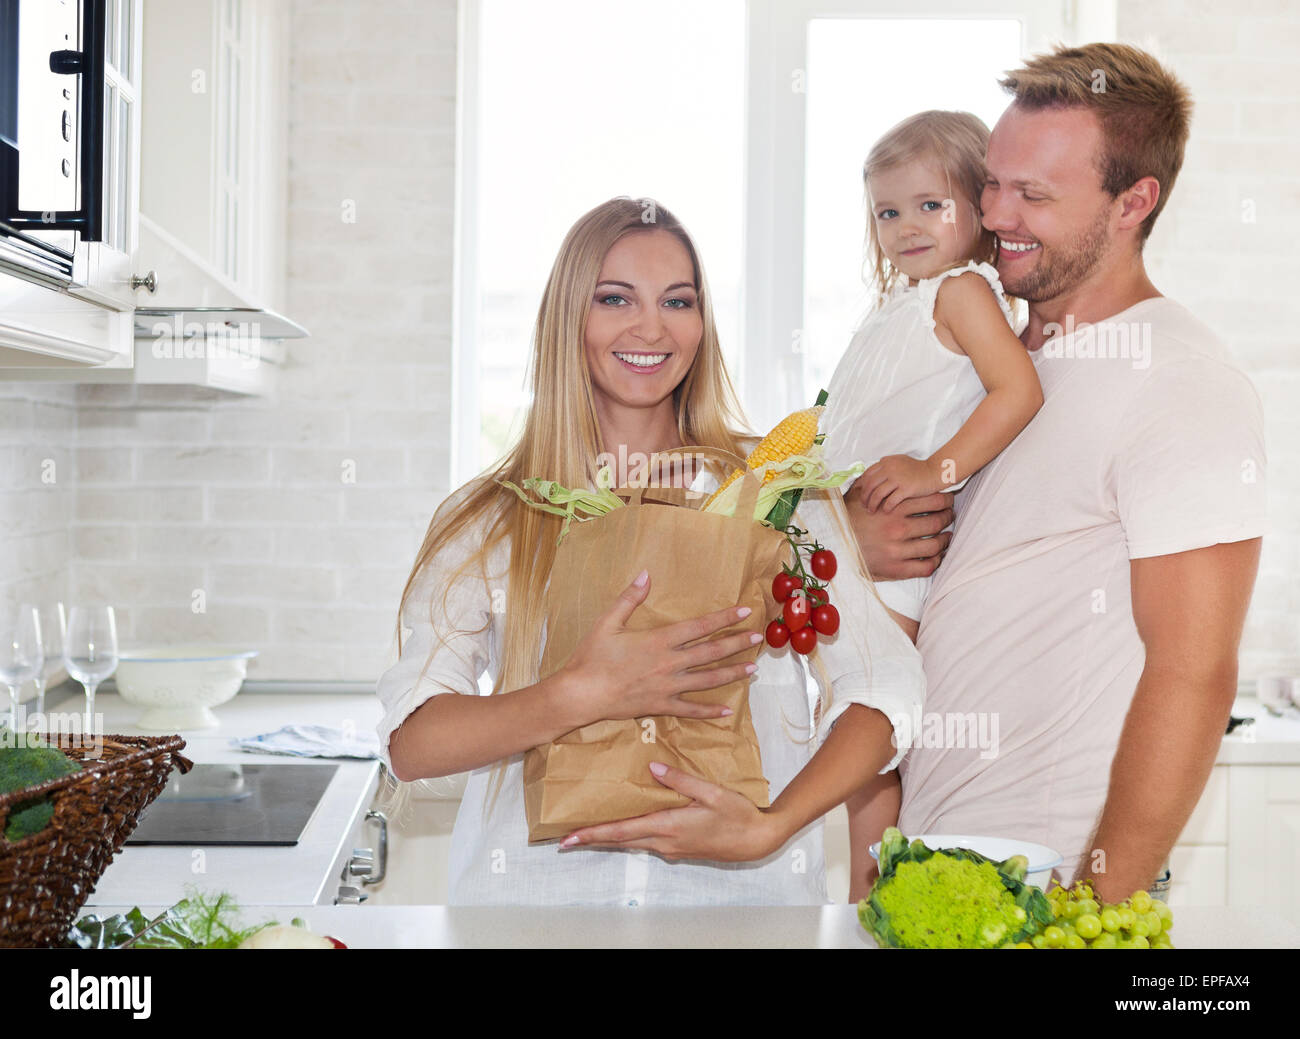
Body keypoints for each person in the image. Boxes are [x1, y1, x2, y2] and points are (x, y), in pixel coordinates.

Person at [376, 197, 924, 906]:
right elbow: (411, 741)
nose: (651, 327)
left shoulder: (780, 493)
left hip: (742, 916)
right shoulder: (494, 516)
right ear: (568, 317)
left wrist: (772, 826)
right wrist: (579, 693)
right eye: (614, 298)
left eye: (678, 300)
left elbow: (886, 690)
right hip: (533, 920)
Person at [844, 43, 1266, 903]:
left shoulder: (1178, 379)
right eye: (992, 182)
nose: (995, 213)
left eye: (1034, 195)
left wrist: (1091, 909)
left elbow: (1193, 672)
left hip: (1046, 881)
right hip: (928, 869)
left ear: (1133, 203)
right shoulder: (979, 365)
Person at [820, 111, 1043, 901]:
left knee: (874, 716)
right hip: (858, 548)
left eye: (928, 205)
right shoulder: (898, 308)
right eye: (887, 211)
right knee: (858, 719)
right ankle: (869, 882)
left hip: (901, 551)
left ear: (976, 208)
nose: (905, 226)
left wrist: (934, 467)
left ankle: (875, 884)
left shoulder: (961, 292)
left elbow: (1018, 391)